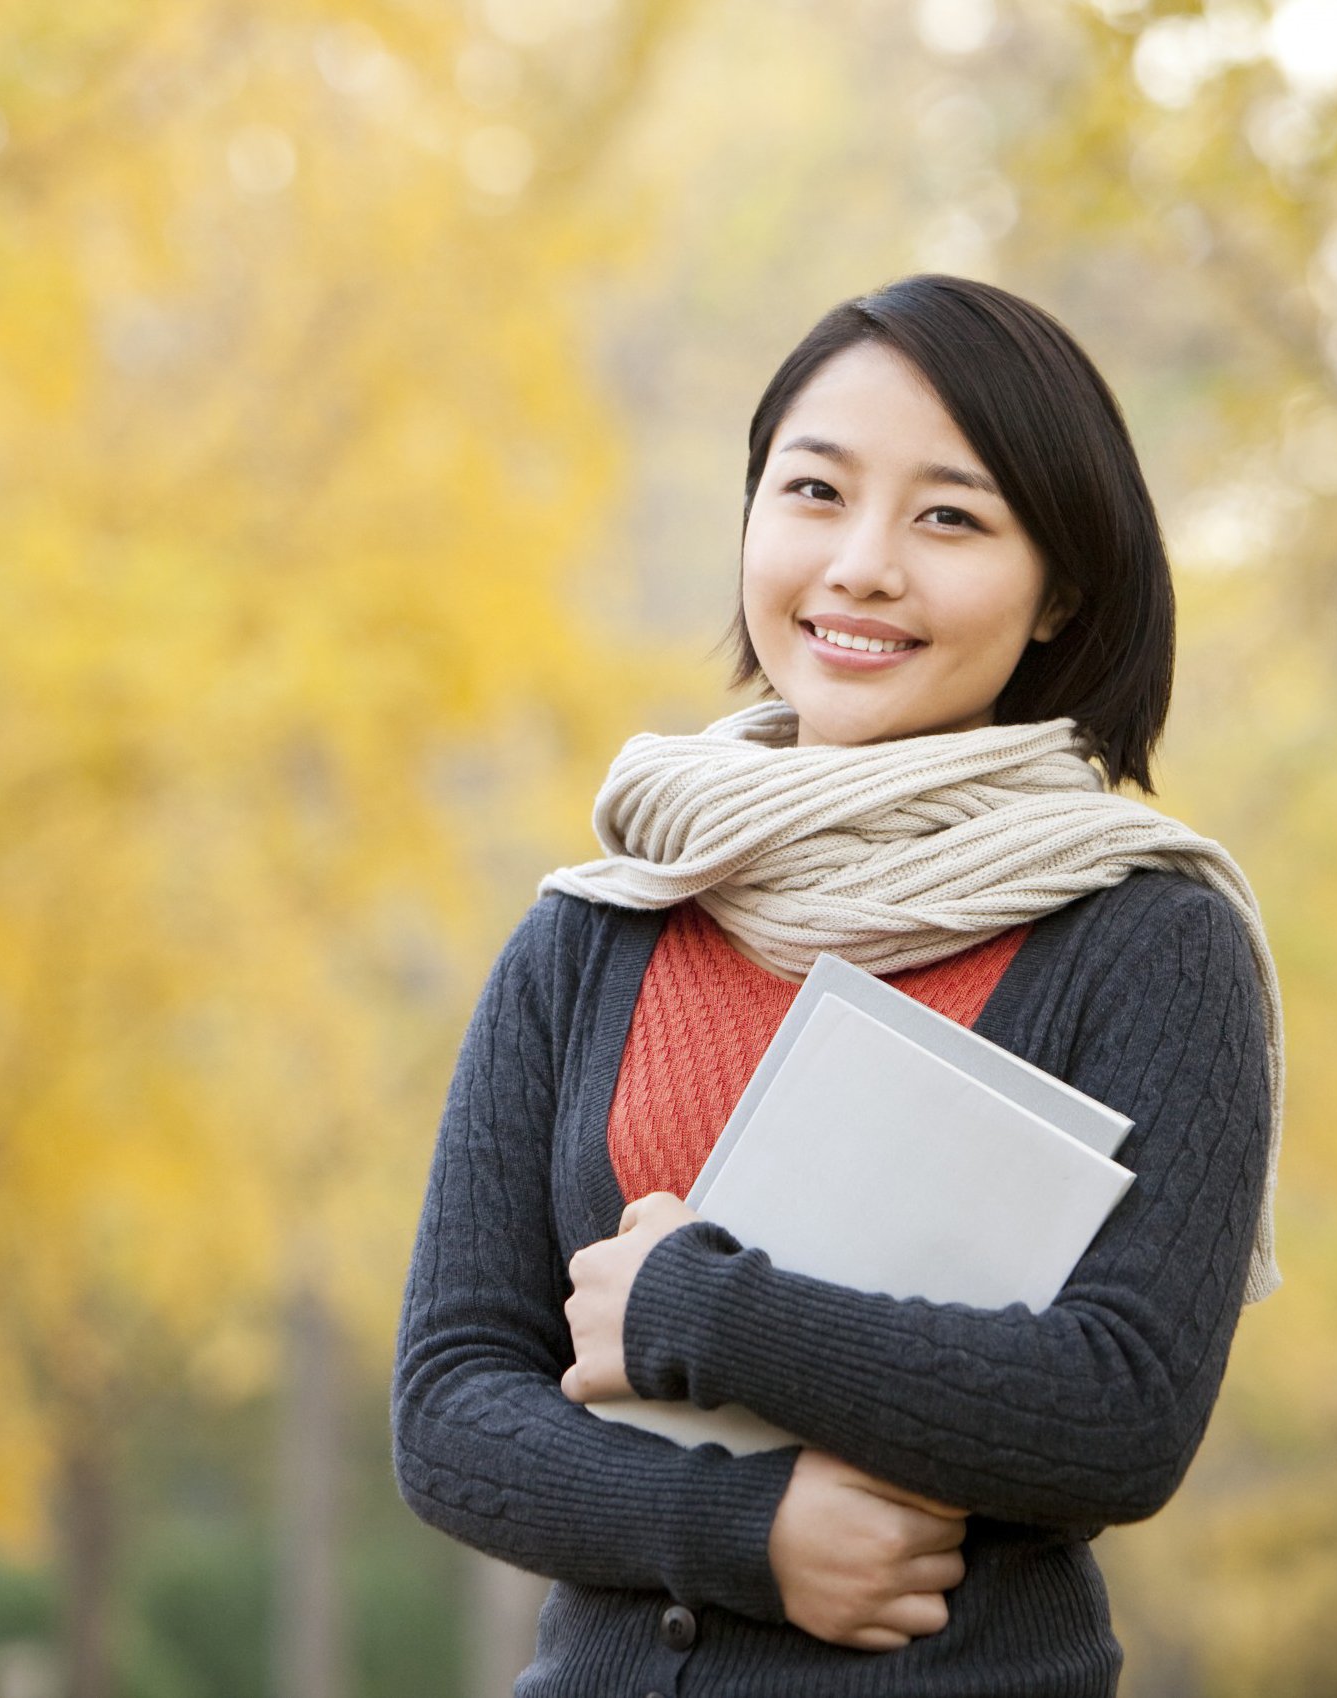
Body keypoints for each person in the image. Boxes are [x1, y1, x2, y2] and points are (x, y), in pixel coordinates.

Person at [391, 274, 1283, 1697]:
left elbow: (1122, 1410)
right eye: (813, 492)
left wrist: (704, 1312)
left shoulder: (1144, 936)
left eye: (949, 515)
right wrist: (745, 1529)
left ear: (1059, 586)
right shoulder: (593, 930)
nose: (862, 565)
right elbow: (447, 1410)